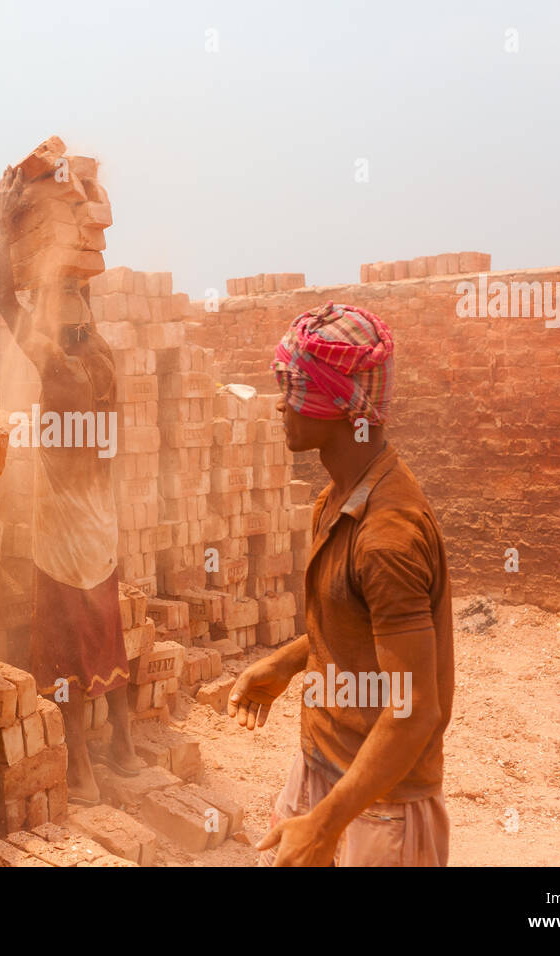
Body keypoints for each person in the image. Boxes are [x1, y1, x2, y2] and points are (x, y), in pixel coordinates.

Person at [229, 302, 453, 866]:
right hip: (327, 763)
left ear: (340, 402)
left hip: (380, 809)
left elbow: (414, 709)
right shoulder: (337, 500)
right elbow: (356, 621)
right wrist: (285, 663)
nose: (281, 403)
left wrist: (327, 824)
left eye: (295, 387)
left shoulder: (387, 536)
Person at [0, 164, 143, 805]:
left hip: (61, 539)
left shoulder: (57, 372)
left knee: (61, 650)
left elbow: (1, 298)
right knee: (106, 637)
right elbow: (85, 301)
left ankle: (80, 768)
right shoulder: (104, 363)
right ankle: (127, 751)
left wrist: (3, 219)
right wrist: (79, 236)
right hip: (100, 529)